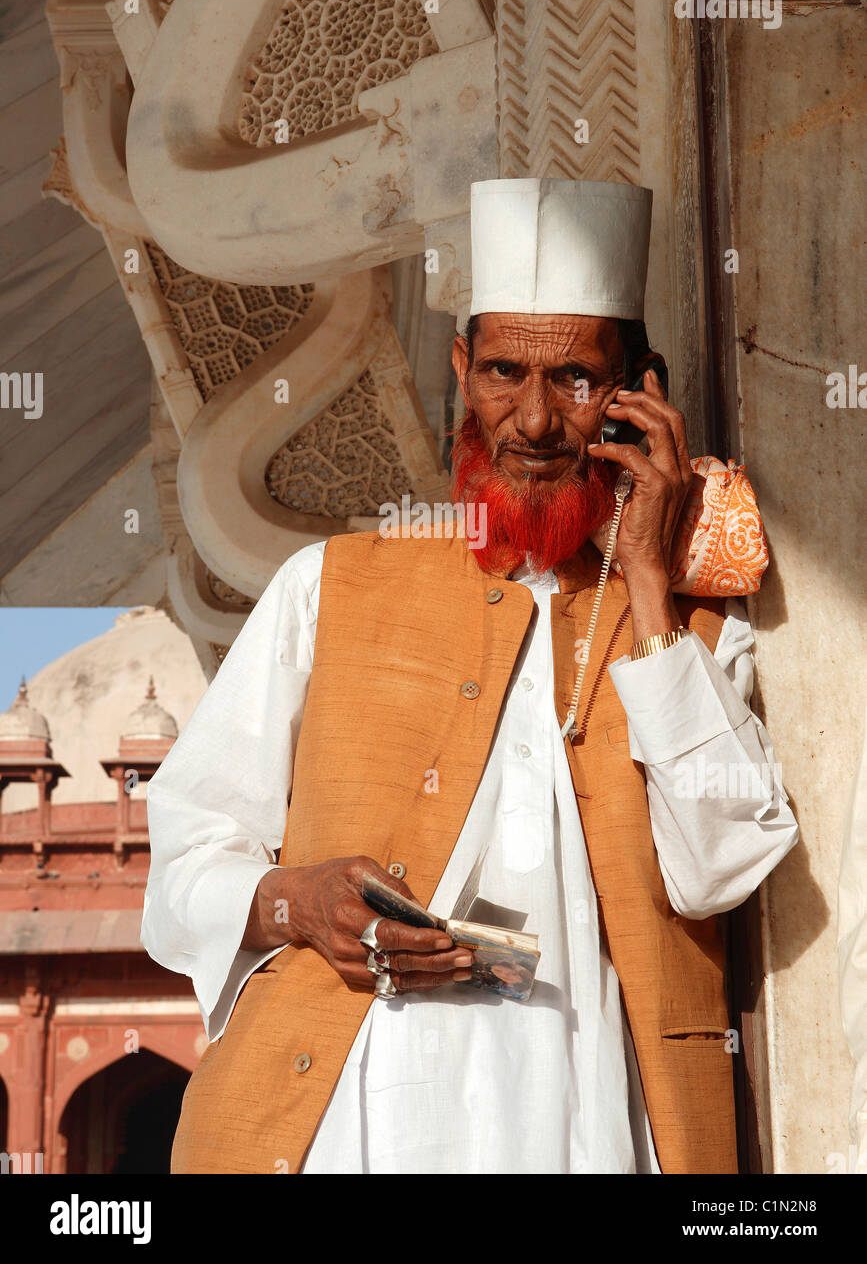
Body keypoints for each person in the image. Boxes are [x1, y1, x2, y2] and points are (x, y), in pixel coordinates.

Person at [142, 177, 798, 1174]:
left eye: (575, 378)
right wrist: (298, 900)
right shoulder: (329, 586)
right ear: (461, 367)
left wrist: (654, 582)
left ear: (638, 390)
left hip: (587, 1124)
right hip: (351, 1125)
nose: (533, 419)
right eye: (502, 371)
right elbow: (185, 867)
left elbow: (719, 867)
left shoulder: (692, 632)